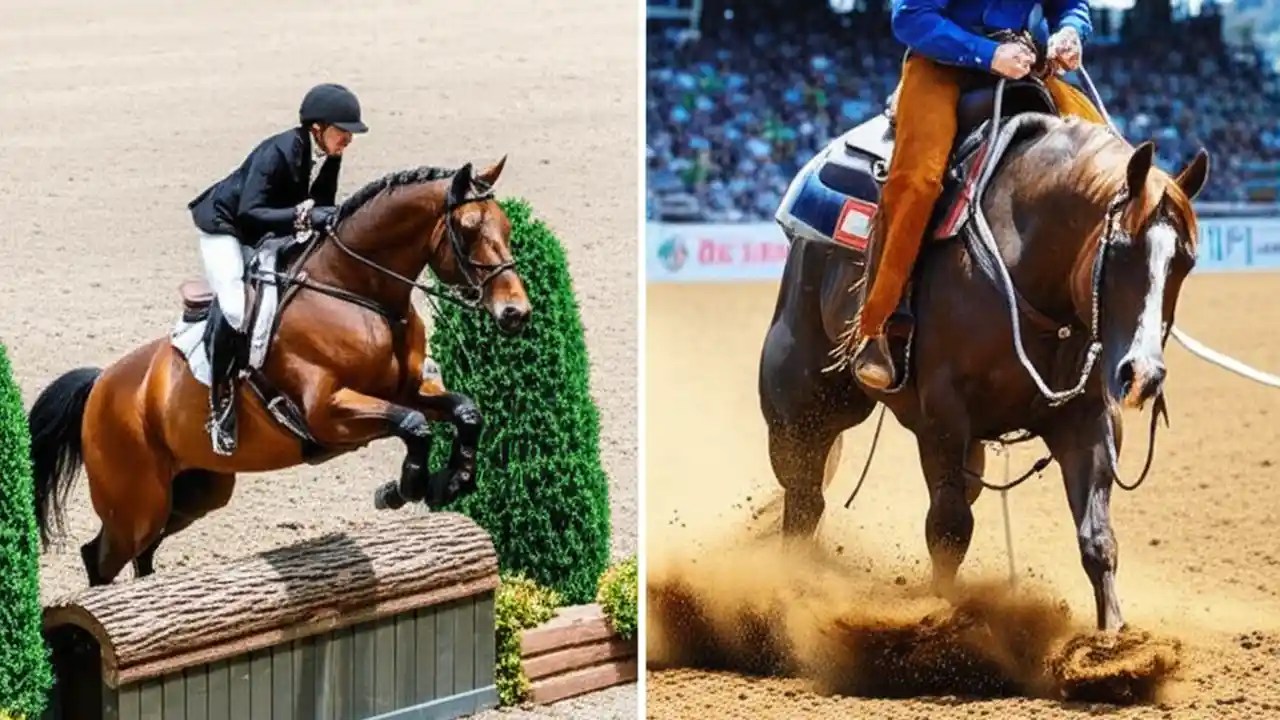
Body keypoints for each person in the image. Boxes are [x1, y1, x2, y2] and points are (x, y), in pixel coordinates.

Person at [849, 0, 1107, 391]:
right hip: (941, 66)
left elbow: (1070, 5)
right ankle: (878, 325)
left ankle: (1110, 326)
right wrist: (988, 54)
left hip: (1022, 63)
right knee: (917, 181)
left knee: (1103, 155)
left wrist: (1069, 32)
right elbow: (910, 17)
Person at [187, 82, 369, 455]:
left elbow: (323, 203)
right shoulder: (279, 150)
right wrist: (304, 215)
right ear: (317, 128)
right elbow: (249, 212)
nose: (348, 140)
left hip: (267, 231)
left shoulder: (329, 155)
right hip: (226, 228)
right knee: (237, 308)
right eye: (343, 132)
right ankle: (220, 405)